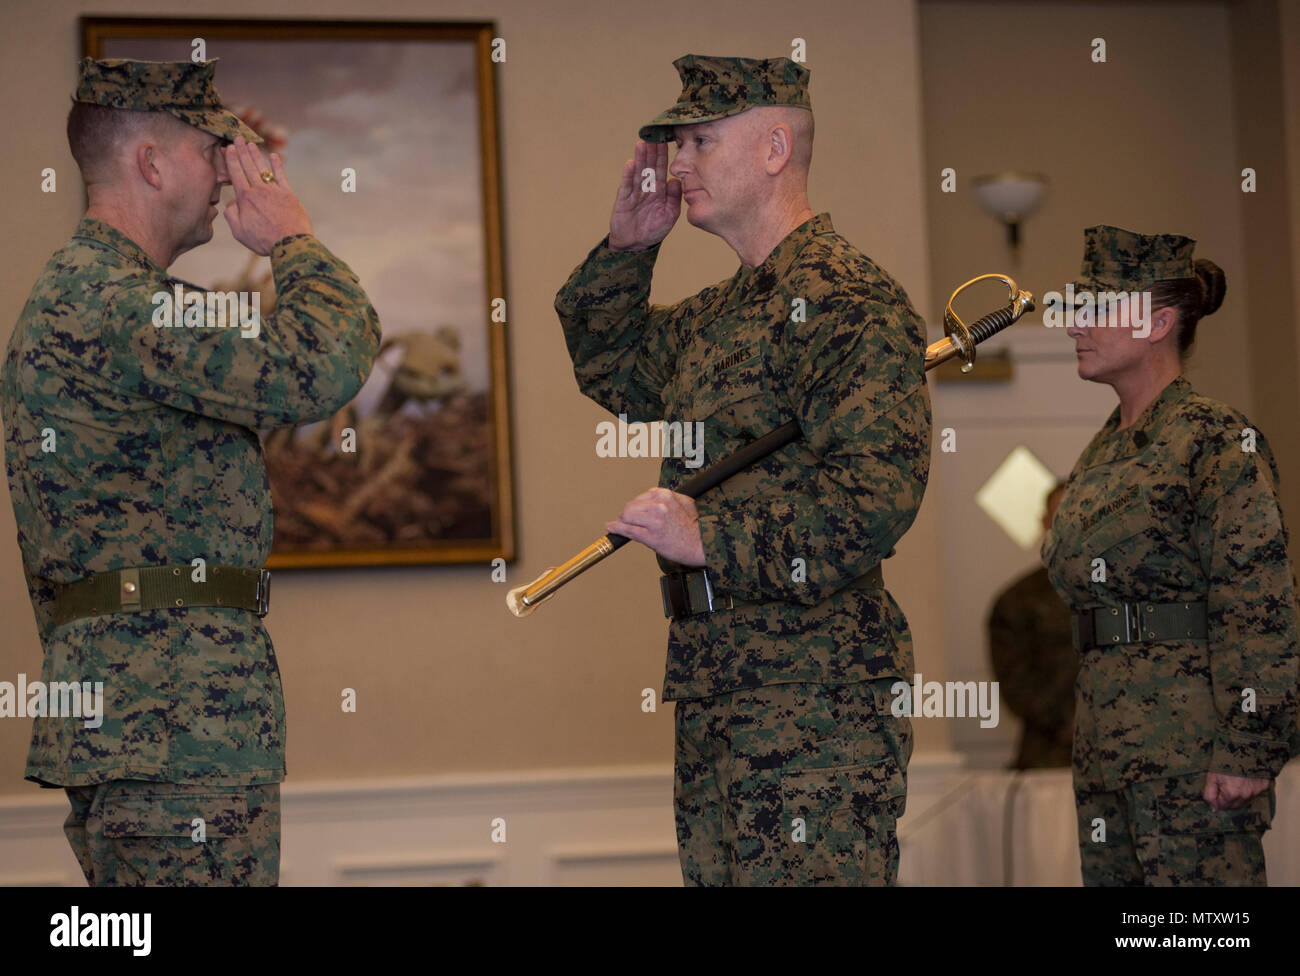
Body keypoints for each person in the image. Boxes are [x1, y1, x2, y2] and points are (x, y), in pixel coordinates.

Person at [1, 58, 380, 885]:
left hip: (133, 721)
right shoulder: (127, 304)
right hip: (176, 728)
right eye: (216, 150)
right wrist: (293, 240)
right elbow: (325, 362)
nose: (225, 173)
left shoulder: (81, 296)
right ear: (150, 162)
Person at [555, 55, 931, 886]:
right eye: (674, 142)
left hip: (815, 695)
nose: (676, 163)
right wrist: (626, 251)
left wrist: (707, 535)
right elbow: (613, 369)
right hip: (721, 676)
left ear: (771, 149)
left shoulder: (845, 298)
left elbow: (879, 497)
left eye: (698, 139)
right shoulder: (727, 310)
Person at [1043, 224, 1298, 885]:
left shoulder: (1213, 439)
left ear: (1159, 323)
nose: (1076, 324)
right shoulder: (1101, 452)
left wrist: (1250, 744)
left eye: (1097, 308)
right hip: (1106, 745)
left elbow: (1259, 600)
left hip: (1190, 752)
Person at [989, 483, 1077, 769]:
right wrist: (1072, 724)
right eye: (1059, 516)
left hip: (1125, 757)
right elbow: (1018, 688)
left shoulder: (1127, 590)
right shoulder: (1017, 601)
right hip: (1048, 760)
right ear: (1044, 523)